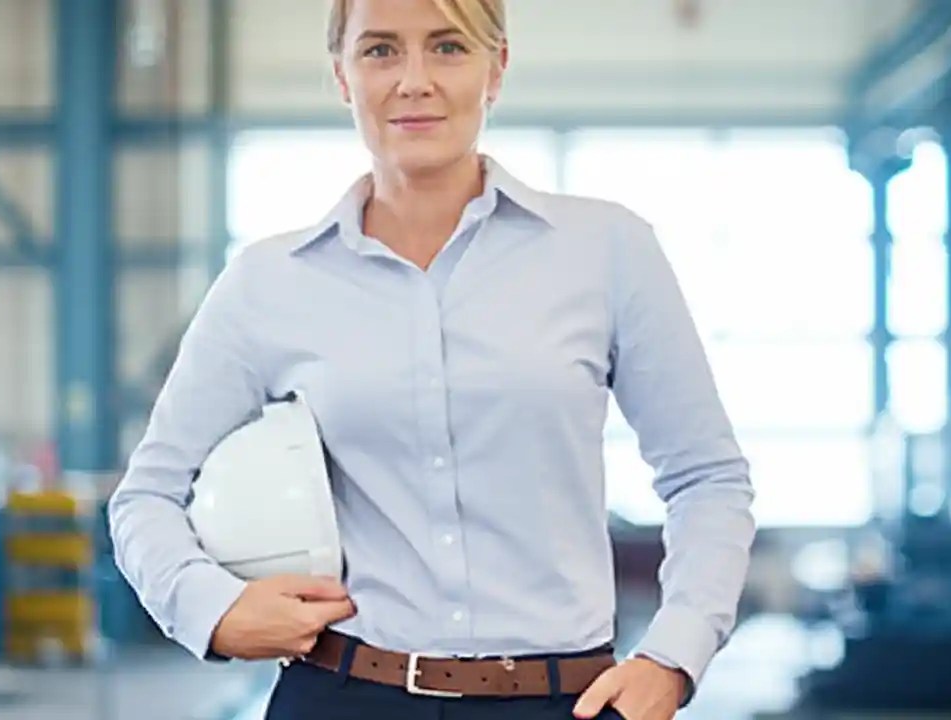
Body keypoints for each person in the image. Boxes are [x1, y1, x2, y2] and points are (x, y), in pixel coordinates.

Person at [107, 0, 756, 717]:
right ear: (342, 76)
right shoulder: (268, 282)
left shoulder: (607, 250)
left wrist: (673, 657)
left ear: (496, 68)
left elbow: (707, 478)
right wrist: (211, 609)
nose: (414, 79)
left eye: (447, 47)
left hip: (559, 699)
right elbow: (148, 495)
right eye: (380, 51)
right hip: (342, 693)